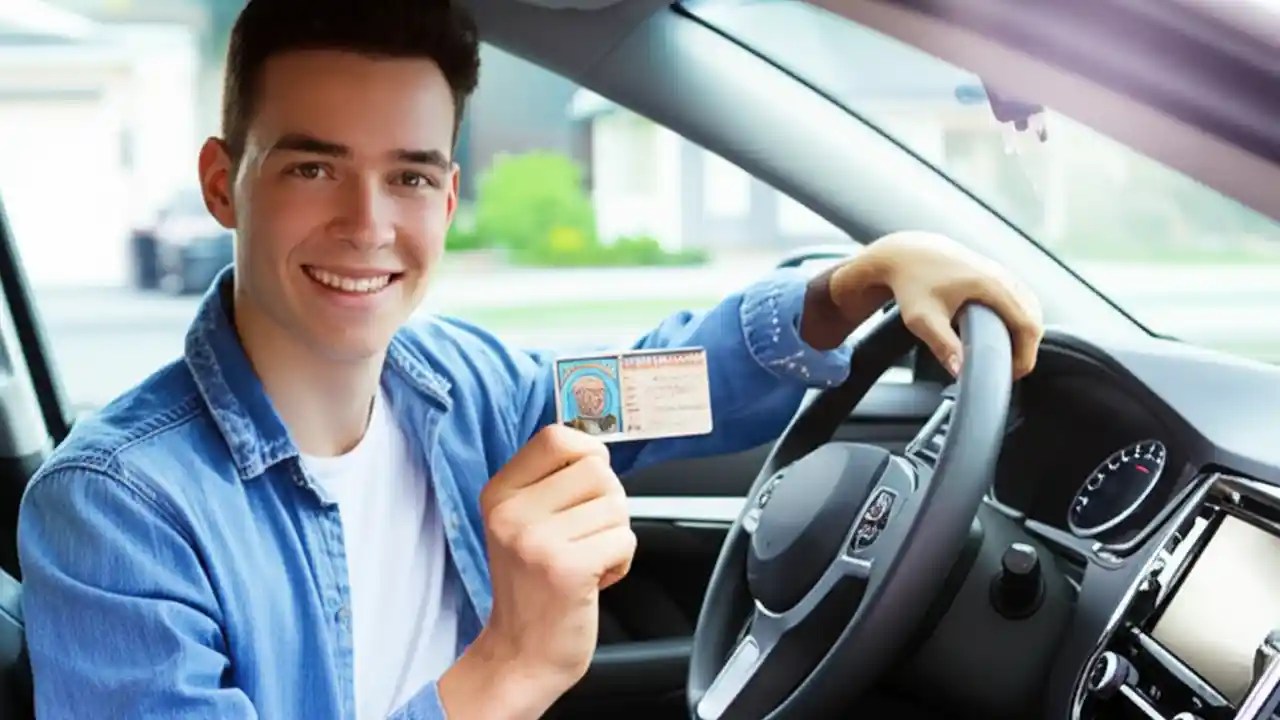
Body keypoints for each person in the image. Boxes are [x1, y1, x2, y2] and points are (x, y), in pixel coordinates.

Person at [15, 0, 1043, 718]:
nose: (366, 224)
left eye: (409, 178)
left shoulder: (464, 389)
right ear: (222, 184)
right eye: (313, 166)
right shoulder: (115, 507)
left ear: (448, 200)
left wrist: (853, 285)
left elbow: (664, 387)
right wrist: (512, 666)